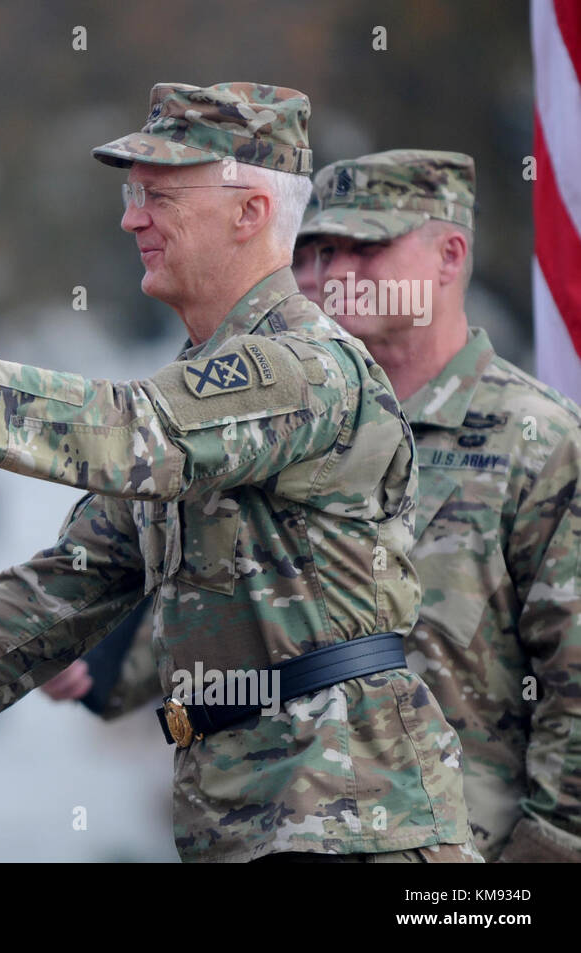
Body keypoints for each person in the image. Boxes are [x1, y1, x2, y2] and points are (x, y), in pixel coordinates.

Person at [0, 82, 480, 862]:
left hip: (355, 823)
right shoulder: (199, 398)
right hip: (256, 822)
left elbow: (125, 430)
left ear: (251, 213)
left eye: (161, 194)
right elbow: (42, 610)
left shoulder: (302, 369)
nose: (131, 216)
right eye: (133, 193)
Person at [298, 150, 581, 861]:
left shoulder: (539, 440)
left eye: (366, 248)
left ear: (449, 255)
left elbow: (575, 692)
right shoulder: (302, 432)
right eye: (323, 251)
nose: (336, 276)